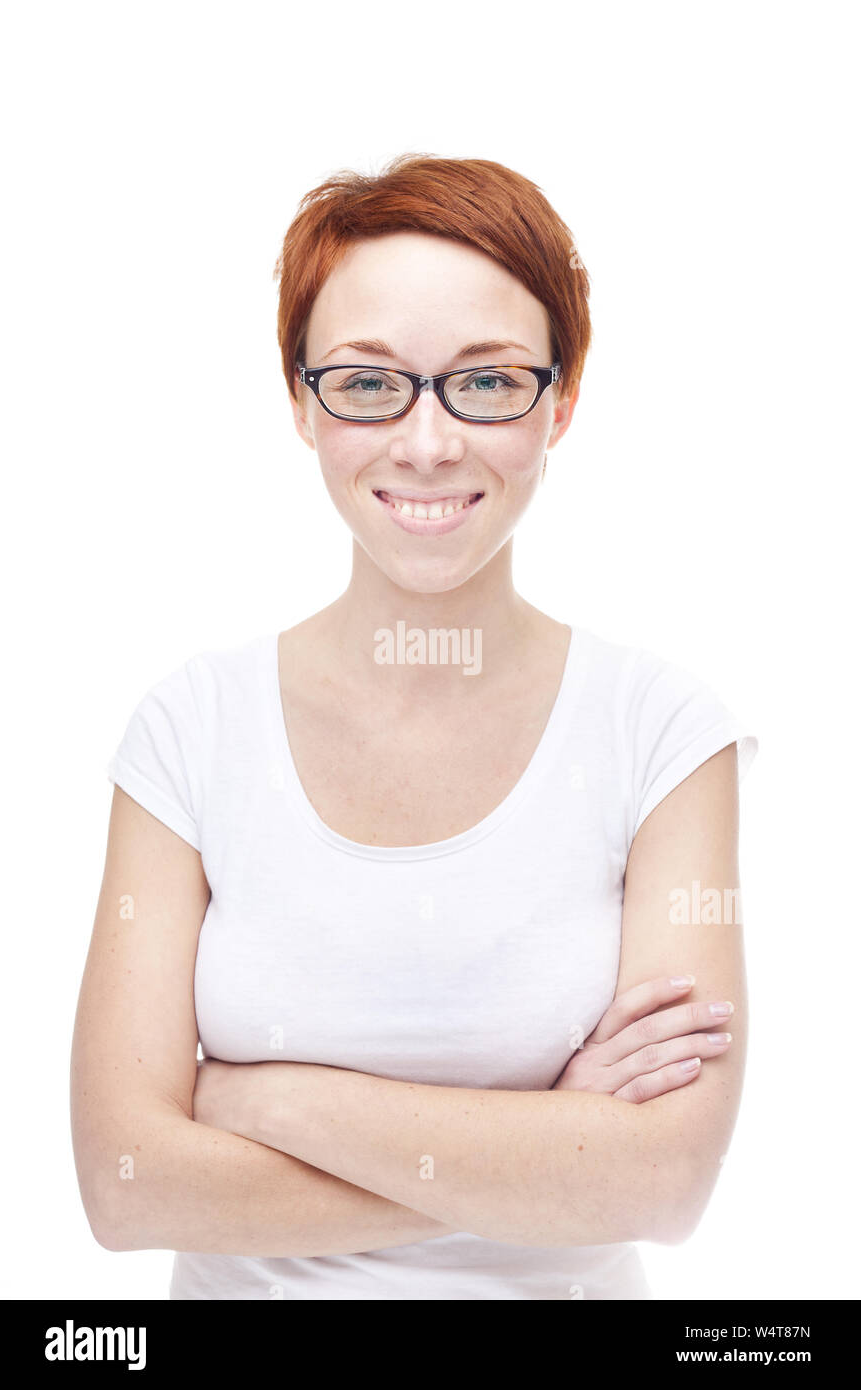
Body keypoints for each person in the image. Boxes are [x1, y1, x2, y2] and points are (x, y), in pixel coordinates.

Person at [70, 153, 758, 1300]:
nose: (429, 443)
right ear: (299, 400)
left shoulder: (662, 733)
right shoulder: (189, 731)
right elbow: (126, 1187)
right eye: (366, 382)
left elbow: (663, 1183)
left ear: (562, 399)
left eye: (486, 385)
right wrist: (547, 1139)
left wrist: (264, 1098)